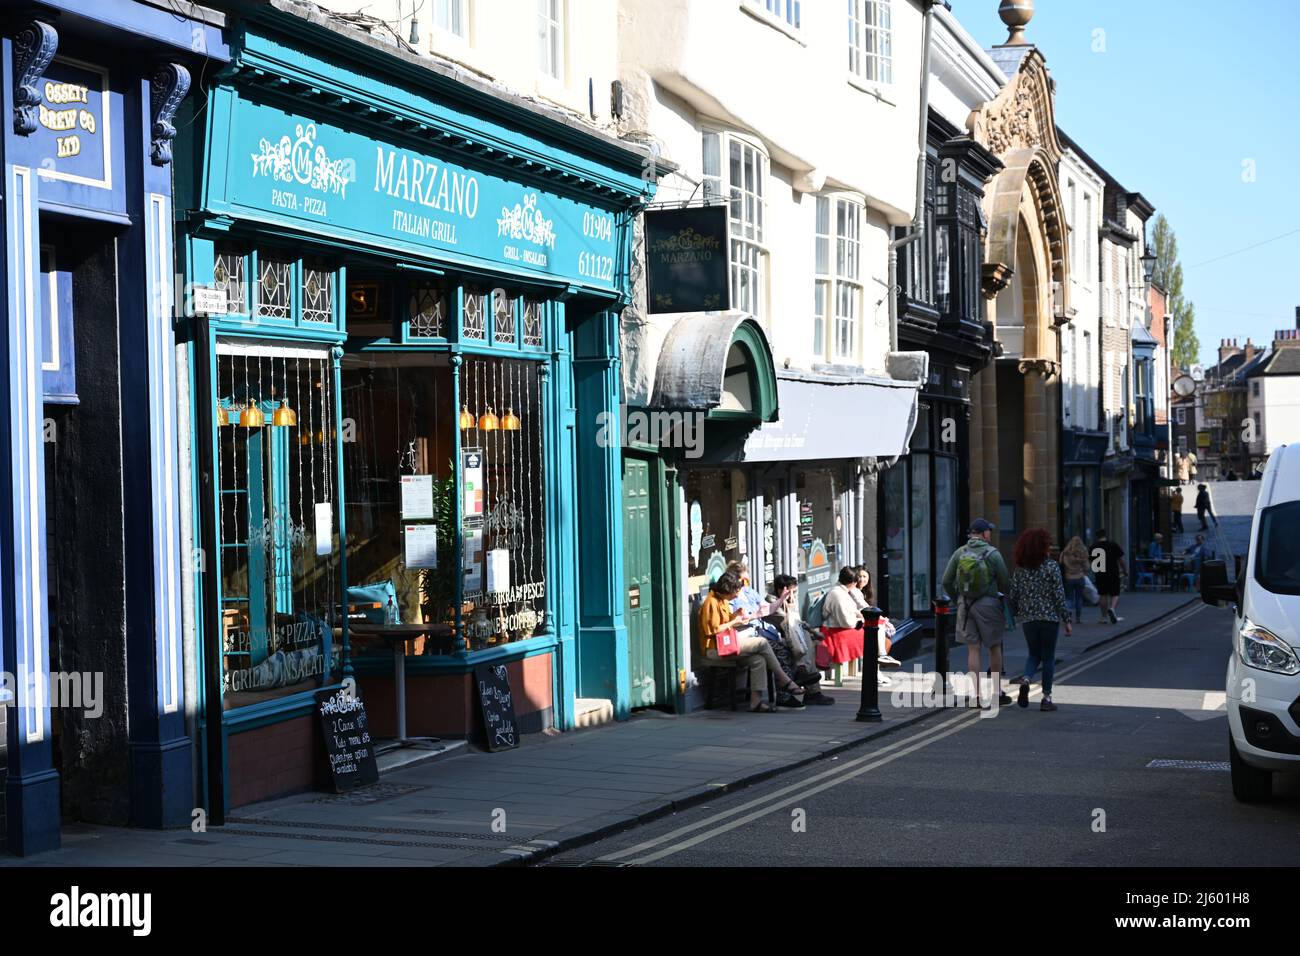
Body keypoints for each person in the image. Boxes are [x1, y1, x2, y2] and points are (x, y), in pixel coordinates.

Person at [698, 571, 809, 712]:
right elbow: (712, 630)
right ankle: (784, 680)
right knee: (762, 642)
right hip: (715, 649)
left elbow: (725, 622)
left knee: (758, 660)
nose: (737, 595)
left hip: (727, 643)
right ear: (728, 590)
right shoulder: (711, 603)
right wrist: (734, 622)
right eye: (736, 592)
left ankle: (755, 703)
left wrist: (736, 616)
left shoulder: (723, 600)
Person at [941, 518, 1013, 707]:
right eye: (989, 531)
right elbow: (1005, 581)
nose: (990, 533)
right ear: (984, 534)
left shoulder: (960, 552)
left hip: (965, 605)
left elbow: (946, 581)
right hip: (989, 604)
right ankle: (997, 692)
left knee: (973, 648)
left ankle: (977, 696)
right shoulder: (993, 554)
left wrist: (958, 597)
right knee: (994, 646)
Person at [1008, 528, 1072, 712]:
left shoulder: (1020, 570)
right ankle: (1046, 698)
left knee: (1033, 654)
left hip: (1028, 620)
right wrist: (1067, 619)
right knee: (1048, 657)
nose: (1050, 547)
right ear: (1042, 546)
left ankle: (1026, 679)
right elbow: (1059, 595)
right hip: (1049, 619)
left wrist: (1016, 614)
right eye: (1048, 544)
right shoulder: (1051, 566)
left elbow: (1013, 596)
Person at [766, 574, 834, 705]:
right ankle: (808, 682)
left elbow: (798, 623)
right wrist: (786, 602)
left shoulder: (789, 601)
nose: (795, 595)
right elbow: (787, 622)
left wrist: (813, 631)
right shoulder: (772, 601)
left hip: (791, 639)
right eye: (793, 592)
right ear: (782, 590)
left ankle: (811, 686)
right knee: (805, 637)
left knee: (809, 638)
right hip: (777, 638)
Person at [851, 566, 899, 686]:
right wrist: (882, 619)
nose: (862, 579)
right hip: (855, 624)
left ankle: (877, 671)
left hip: (862, 623)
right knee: (878, 633)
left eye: (865, 576)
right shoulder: (854, 591)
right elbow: (865, 608)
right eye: (860, 576)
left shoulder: (863, 592)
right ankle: (881, 658)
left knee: (882, 637)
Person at [819, 566, 867, 671]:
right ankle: (874, 664)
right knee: (871, 635)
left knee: (874, 629)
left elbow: (852, 612)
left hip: (838, 628)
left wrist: (861, 616)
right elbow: (846, 622)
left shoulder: (841, 591)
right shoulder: (838, 594)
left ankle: (877, 661)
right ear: (853, 583)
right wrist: (859, 620)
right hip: (834, 631)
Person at [1090, 529, 1126, 624]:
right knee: (1115, 593)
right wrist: (1125, 570)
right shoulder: (1113, 545)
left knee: (1102, 594)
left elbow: (1092, 562)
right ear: (1106, 535)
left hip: (1100, 573)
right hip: (1113, 572)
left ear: (1097, 537)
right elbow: (1120, 559)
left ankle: (1103, 617)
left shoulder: (1093, 547)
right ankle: (1112, 608)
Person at [1059, 535, 1090, 624]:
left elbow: (1061, 563)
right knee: (1079, 598)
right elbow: (1087, 567)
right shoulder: (1083, 553)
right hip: (1080, 577)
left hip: (1069, 578)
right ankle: (1078, 617)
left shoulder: (1066, 553)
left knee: (1069, 598)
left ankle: (1068, 617)